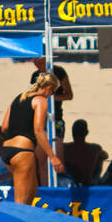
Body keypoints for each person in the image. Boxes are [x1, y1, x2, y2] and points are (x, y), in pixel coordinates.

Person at [1, 72, 64, 204]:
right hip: (22, 152)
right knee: (22, 203)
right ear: (48, 87)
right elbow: (39, 131)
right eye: (52, 91)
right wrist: (52, 157)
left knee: (32, 190)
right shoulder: (40, 100)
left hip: (6, 151)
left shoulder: (19, 98)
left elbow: (4, 127)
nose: (51, 95)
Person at [30, 57, 72, 186]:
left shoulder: (58, 71)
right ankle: (46, 189)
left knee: (57, 158)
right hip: (40, 118)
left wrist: (51, 99)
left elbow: (69, 95)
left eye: (37, 59)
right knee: (41, 160)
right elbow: (32, 95)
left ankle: (58, 190)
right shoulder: (35, 75)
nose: (34, 61)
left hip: (56, 118)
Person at [62, 119, 108, 186]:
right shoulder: (95, 148)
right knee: (100, 158)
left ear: (73, 133)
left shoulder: (65, 147)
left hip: (72, 180)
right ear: (86, 133)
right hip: (89, 180)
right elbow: (106, 156)